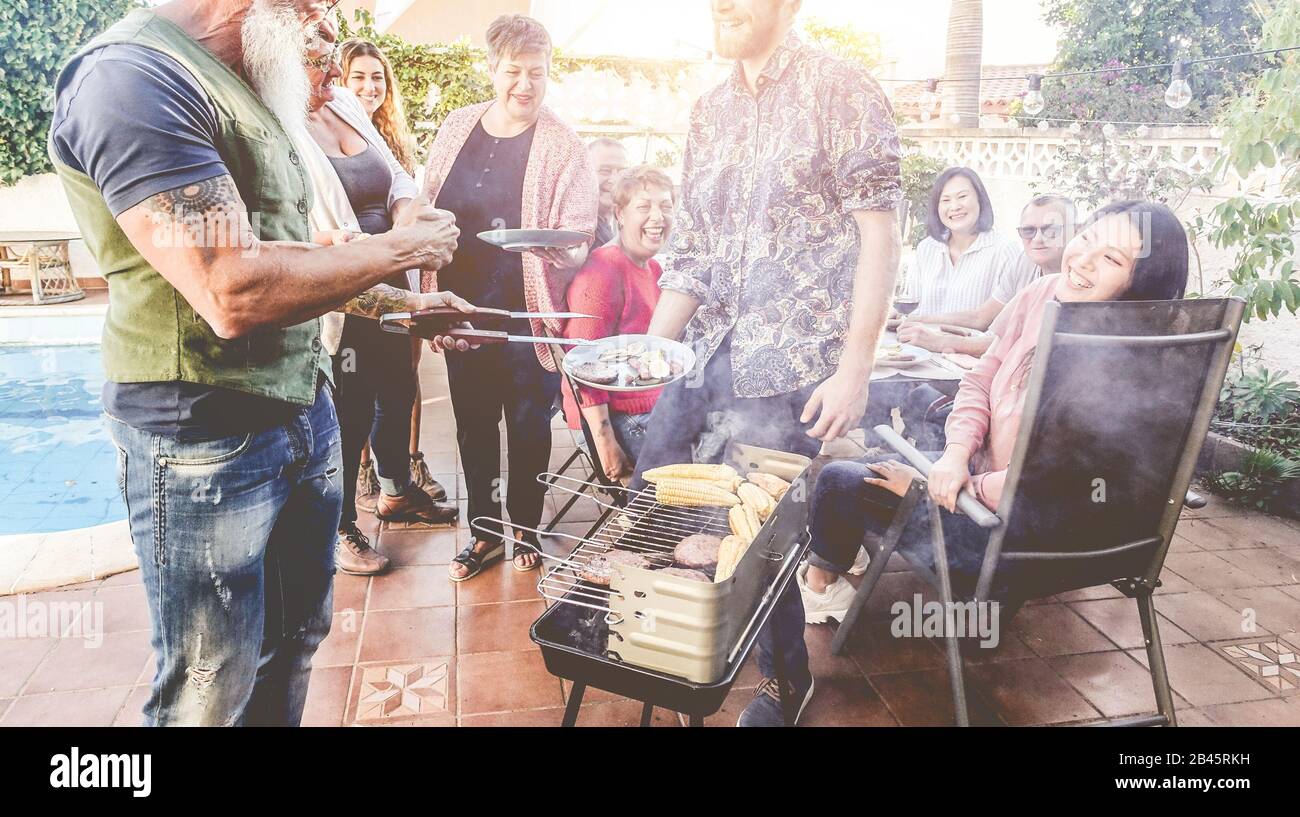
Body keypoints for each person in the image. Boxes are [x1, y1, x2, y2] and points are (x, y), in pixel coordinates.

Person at [48, 0, 469, 726]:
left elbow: (287, 252)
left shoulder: (244, 83)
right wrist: (405, 249)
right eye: (314, 2)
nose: (323, 16)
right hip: (204, 443)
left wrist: (400, 302)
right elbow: (230, 286)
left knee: (295, 641)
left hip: (302, 411)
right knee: (209, 689)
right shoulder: (133, 78)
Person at [630, 0, 903, 726]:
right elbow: (690, 255)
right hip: (709, 353)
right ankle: (681, 642)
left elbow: (880, 235)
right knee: (654, 496)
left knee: (760, 534)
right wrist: (649, 352)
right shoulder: (707, 111)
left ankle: (786, 679)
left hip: (792, 367)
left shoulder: (840, 88)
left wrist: (856, 366)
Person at [797, 201, 1190, 631]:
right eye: (1088, 239)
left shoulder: (1121, 371)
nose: (1084, 260)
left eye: (1113, 259)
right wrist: (954, 455)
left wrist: (931, 488)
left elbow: (1054, 486)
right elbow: (982, 379)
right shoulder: (1047, 295)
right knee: (900, 434)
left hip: (1007, 543)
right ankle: (854, 532)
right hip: (1006, 506)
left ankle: (821, 590)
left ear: (1141, 282)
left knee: (837, 481)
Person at [420, 14, 597, 582]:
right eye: (513, 71)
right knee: (472, 426)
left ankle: (524, 526)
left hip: (525, 313)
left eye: (537, 74)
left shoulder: (563, 145)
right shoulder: (456, 126)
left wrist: (556, 250)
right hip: (462, 307)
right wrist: (430, 298)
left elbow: (578, 239)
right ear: (493, 69)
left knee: (527, 426)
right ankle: (484, 533)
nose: (525, 84)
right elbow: (426, 211)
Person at [299, 32, 458, 576]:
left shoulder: (341, 105)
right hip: (344, 296)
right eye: (321, 63)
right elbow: (297, 228)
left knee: (398, 387)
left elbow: (398, 178)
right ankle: (340, 526)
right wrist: (365, 249)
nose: (335, 76)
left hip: (394, 276)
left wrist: (408, 223)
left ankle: (396, 492)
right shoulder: (284, 126)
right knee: (348, 406)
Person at [339, 38, 445, 507]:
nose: (369, 85)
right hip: (348, 278)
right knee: (353, 391)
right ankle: (350, 505)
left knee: (400, 382)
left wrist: (407, 235)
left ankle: (396, 481)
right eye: (357, 76)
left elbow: (406, 188)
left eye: (377, 75)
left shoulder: (385, 132)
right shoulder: (318, 123)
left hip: (395, 274)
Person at [561, 166, 675, 483]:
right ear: (620, 214)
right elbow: (582, 364)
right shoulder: (603, 270)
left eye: (666, 206)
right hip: (620, 417)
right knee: (686, 491)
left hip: (650, 403)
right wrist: (605, 444)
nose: (658, 217)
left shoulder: (653, 267)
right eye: (644, 206)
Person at [899, 194, 1076, 357]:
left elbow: (1025, 345)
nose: (1037, 239)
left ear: (1075, 231)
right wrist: (915, 319)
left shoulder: (1081, 281)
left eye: (1051, 230)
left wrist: (944, 342)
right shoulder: (1025, 262)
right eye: (1028, 231)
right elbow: (981, 317)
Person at [588, 137, 630, 248]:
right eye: (605, 171)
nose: (616, 179)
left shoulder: (624, 220)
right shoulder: (580, 230)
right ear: (583, 174)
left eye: (622, 171)